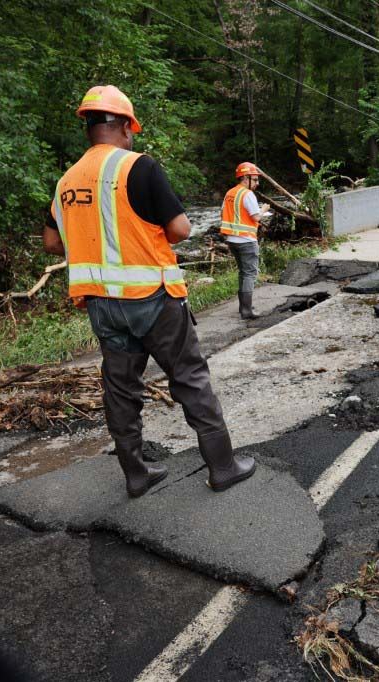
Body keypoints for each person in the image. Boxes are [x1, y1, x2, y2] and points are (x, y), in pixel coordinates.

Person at [42, 85, 255, 498]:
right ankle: (223, 467)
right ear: (124, 126)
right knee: (190, 379)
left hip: (101, 304)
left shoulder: (66, 181)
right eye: (131, 128)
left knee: (120, 390)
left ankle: (137, 473)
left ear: (88, 127)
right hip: (153, 301)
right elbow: (179, 230)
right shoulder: (140, 168)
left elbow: (52, 243)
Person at [220, 162, 266, 319]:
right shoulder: (248, 194)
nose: (257, 183)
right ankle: (247, 310)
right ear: (246, 178)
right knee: (250, 273)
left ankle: (244, 307)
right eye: (255, 179)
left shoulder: (229, 193)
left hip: (232, 240)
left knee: (243, 272)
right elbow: (256, 217)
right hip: (246, 240)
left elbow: (224, 213)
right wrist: (264, 210)